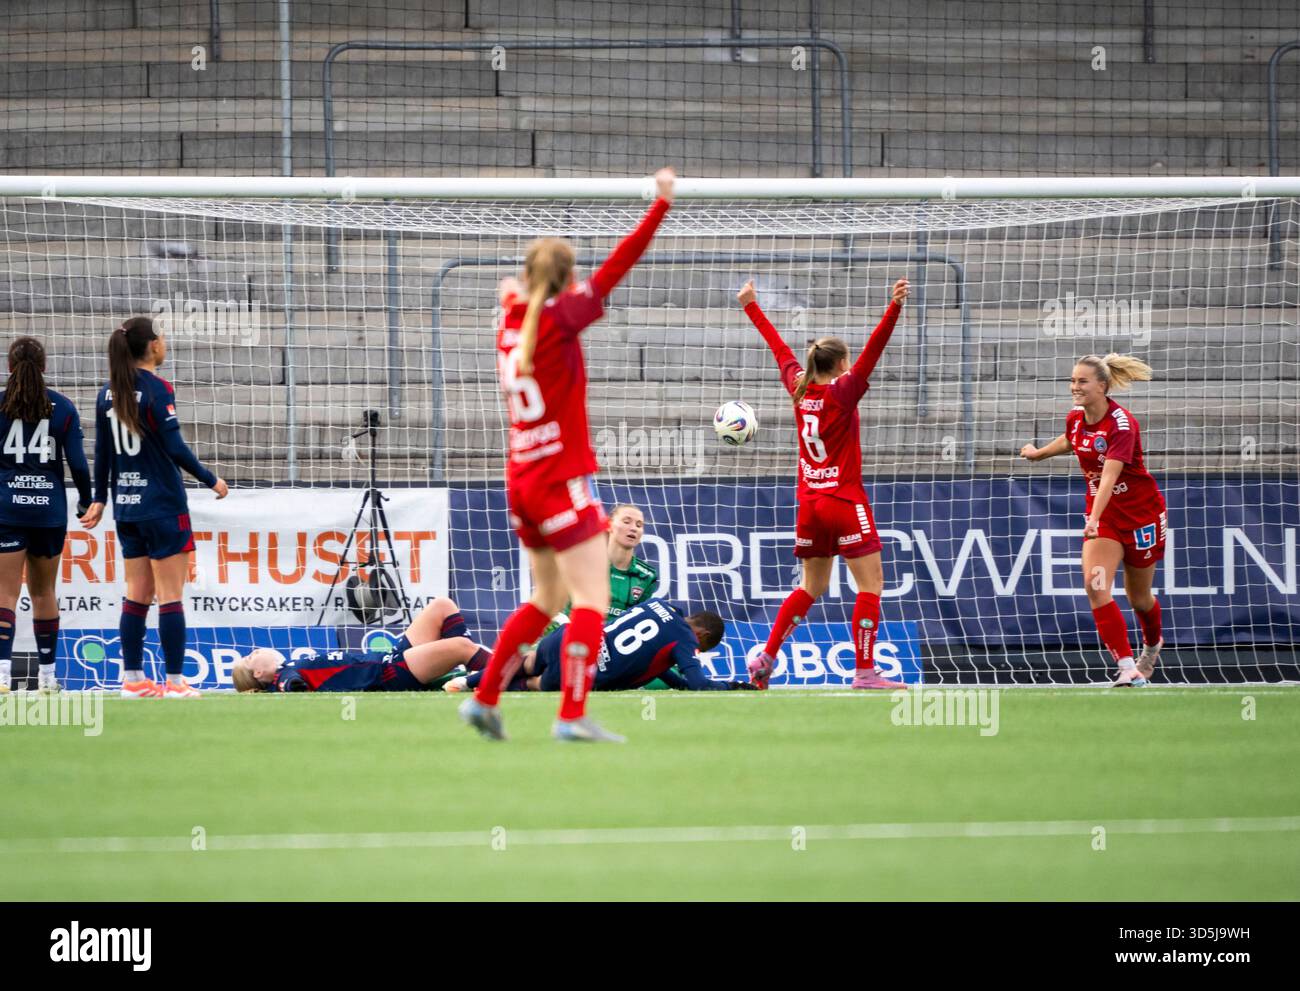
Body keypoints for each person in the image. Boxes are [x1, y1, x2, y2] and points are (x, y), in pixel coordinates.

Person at [459, 166, 676, 743]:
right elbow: (618, 268)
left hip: (521, 481)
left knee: (546, 596)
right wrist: (659, 205)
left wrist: (529, 279)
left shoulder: (510, 319)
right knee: (591, 598)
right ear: (566, 280)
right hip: (561, 479)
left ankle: (484, 698)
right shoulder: (557, 320)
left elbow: (513, 288)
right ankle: (572, 715)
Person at [738, 277, 910, 690]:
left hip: (810, 504)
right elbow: (876, 350)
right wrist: (894, 308)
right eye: (848, 362)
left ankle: (767, 656)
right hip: (844, 501)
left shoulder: (798, 386)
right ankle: (866, 672)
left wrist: (751, 307)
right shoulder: (842, 392)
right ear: (841, 365)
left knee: (811, 586)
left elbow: (779, 349)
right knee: (871, 585)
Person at [80, 316, 228, 699]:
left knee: (136, 595)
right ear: (153, 347)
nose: (165, 342)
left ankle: (132, 679)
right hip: (162, 504)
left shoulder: (106, 393)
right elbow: (175, 447)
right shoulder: (158, 389)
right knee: (170, 595)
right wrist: (211, 478)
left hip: (127, 508)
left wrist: (100, 497)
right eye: (162, 337)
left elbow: (102, 452)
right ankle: (176, 682)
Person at [1020, 354, 1166, 686]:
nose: (1075, 387)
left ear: (1102, 386)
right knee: (1095, 585)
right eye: (1072, 381)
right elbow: (1073, 440)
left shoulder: (1122, 424)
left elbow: (1110, 477)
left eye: (1082, 381)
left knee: (1139, 599)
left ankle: (1152, 644)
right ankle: (1127, 666)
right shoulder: (1075, 418)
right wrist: (1038, 453)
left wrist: (1093, 516)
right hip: (1105, 521)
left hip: (1141, 515)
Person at [0, 337, 92, 694]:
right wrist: (87, 501)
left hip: (7, 508)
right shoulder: (63, 407)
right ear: (45, 366)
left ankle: (4, 675)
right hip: (48, 511)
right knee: (43, 593)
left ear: (9, 367)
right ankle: (50, 678)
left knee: (5, 595)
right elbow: (79, 465)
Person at [449, 599, 748, 693]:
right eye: (701, 649)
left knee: (526, 660)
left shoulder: (661, 604)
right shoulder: (685, 640)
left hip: (570, 636)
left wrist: (675, 682)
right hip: (584, 669)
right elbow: (697, 683)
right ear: (704, 636)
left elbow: (656, 664)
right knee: (533, 683)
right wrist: (732, 686)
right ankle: (481, 689)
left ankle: (464, 682)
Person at [233, 596, 487, 693]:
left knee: (442, 606)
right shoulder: (283, 673)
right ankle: (504, 673)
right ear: (257, 673)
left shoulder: (289, 664)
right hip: (389, 673)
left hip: (390, 656)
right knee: (460, 647)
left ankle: (476, 675)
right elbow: (290, 686)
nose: (255, 651)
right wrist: (288, 686)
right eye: (250, 657)